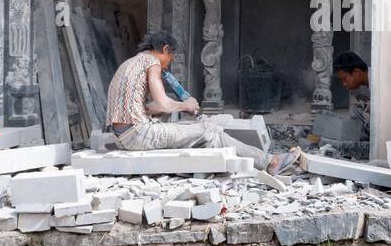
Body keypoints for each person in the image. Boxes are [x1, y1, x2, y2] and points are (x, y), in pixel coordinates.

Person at [106, 31, 297, 173]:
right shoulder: (152, 62)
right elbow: (163, 104)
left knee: (198, 133)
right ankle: (270, 162)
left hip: (123, 136)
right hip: (139, 135)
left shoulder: (129, 63)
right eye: (170, 58)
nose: (168, 64)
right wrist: (185, 105)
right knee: (209, 131)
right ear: (165, 49)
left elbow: (146, 108)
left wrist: (173, 106)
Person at [333, 51, 370, 139]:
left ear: (357, 71)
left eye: (345, 79)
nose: (344, 84)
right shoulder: (370, 83)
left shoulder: (379, 83)